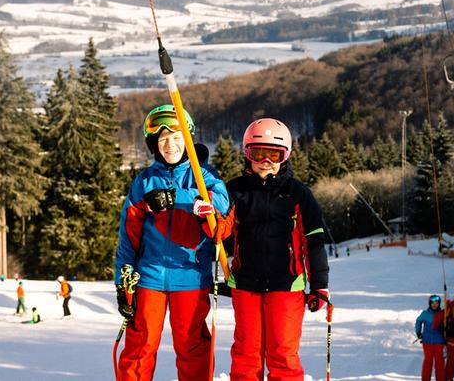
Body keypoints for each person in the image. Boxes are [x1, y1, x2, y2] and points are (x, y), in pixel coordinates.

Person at [114, 104, 230, 381]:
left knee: (192, 345)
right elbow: (128, 237)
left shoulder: (206, 177)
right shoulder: (143, 183)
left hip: (190, 275)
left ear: (188, 139)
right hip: (149, 277)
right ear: (154, 145)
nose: (170, 145)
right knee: (140, 344)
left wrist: (178, 197)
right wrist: (122, 281)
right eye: (163, 139)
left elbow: (220, 207)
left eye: (177, 137)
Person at [217, 118, 330, 381]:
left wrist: (319, 285)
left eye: (274, 154)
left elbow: (314, 241)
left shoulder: (298, 193)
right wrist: (207, 213)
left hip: (286, 285)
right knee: (246, 353)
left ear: (285, 156)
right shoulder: (235, 190)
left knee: (283, 354)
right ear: (247, 154)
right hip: (245, 285)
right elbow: (220, 230)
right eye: (258, 153)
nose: (266, 161)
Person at [415, 294, 445, 381]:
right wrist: (418, 332)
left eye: (436, 303)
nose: (434, 304)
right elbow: (418, 321)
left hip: (439, 342)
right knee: (428, 362)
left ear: (439, 303)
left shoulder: (442, 314)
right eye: (432, 303)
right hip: (427, 342)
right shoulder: (425, 314)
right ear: (429, 303)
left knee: (439, 363)